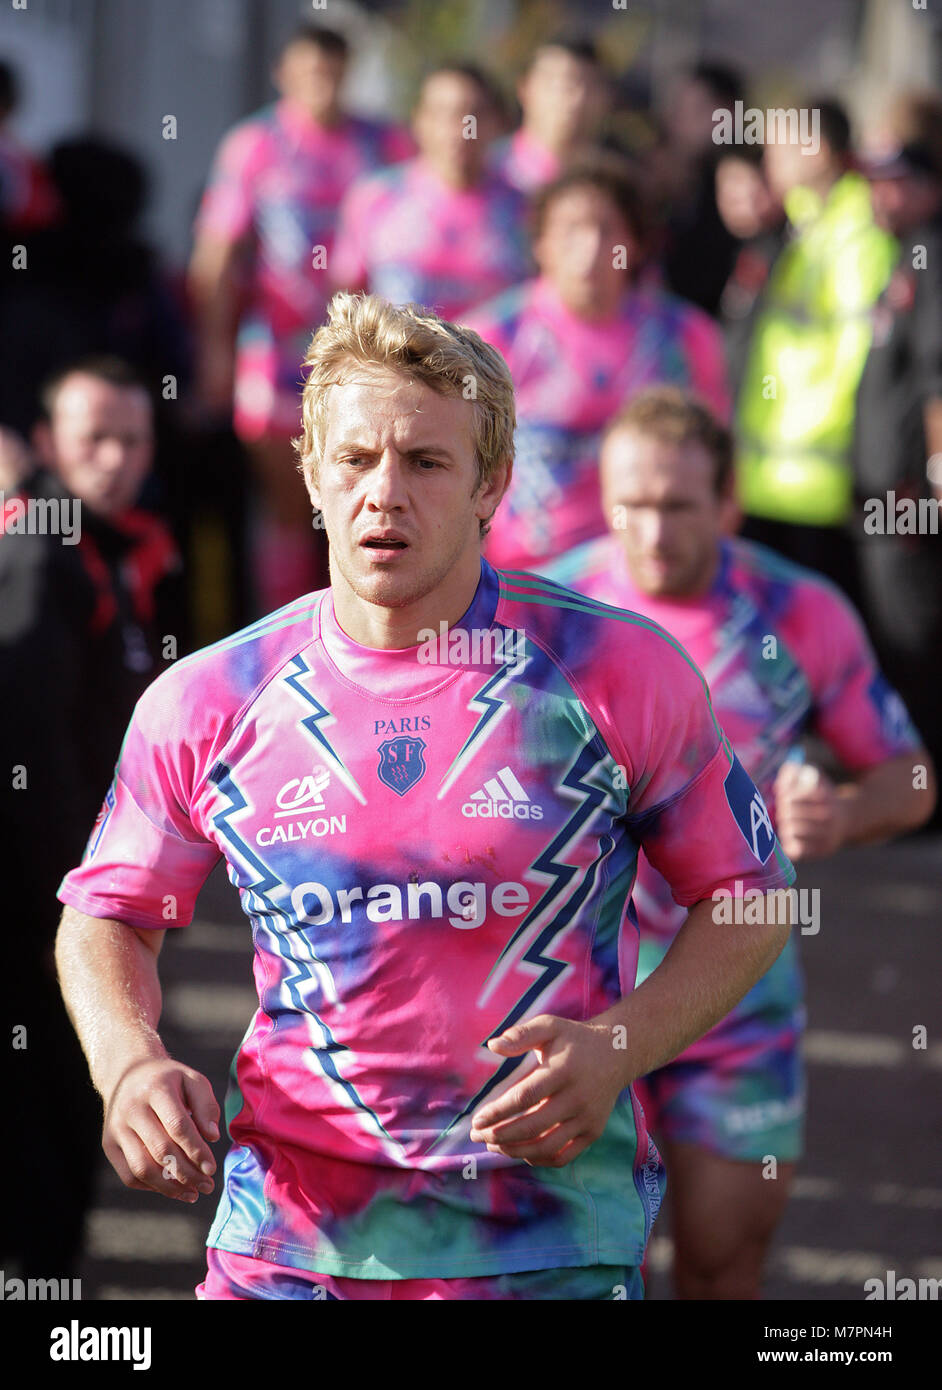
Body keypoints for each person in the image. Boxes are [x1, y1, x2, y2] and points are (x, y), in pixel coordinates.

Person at [56, 293, 796, 1302]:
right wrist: (128, 1064)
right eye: (355, 460)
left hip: (544, 1239)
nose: (383, 494)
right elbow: (106, 911)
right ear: (311, 470)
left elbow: (753, 896)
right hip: (288, 1243)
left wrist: (620, 1044)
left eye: (427, 462)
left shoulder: (612, 669)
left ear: (492, 483)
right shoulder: (209, 697)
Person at [547, 386, 935, 1299]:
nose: (650, 531)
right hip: (583, 999)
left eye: (678, 506)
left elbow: (913, 780)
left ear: (727, 503)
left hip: (738, 1001)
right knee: (586, 1274)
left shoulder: (796, 612)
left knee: (722, 1267)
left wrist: (841, 813)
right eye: (630, 504)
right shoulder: (548, 610)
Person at [0, 357, 182, 1282]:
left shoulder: (100, 542)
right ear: (45, 447)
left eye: (131, 440)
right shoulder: (40, 552)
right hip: (42, 904)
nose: (113, 459)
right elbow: (25, 752)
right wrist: (57, 917)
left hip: (67, 889)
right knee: (48, 1121)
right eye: (91, 442)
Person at [188, 21, 413, 613]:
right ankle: (287, 628)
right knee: (294, 494)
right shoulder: (256, 144)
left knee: (365, 482)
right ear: (282, 74)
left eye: (335, 73)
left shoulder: (383, 144)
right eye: (310, 72)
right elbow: (215, 255)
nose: (323, 85)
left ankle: (359, 617)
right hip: (279, 345)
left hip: (368, 344)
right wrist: (214, 350)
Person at [465, 158, 729, 573]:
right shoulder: (489, 340)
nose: (590, 247)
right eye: (571, 230)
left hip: (650, 576)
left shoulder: (685, 337)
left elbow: (723, 470)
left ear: (637, 243)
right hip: (524, 579)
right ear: (540, 244)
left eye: (607, 230)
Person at [735, 99, 898, 600]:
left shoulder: (860, 234)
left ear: (819, 147)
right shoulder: (796, 228)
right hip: (769, 477)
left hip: (819, 485)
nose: (769, 158)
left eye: (781, 144)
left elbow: (858, 360)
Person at [854, 97, 942, 828]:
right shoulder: (906, 254)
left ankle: (926, 804)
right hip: (882, 493)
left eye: (894, 180)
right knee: (898, 647)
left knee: (917, 651)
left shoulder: (933, 254)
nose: (880, 195)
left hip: (912, 496)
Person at [330, 63, 530, 321]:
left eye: (472, 115)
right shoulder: (375, 198)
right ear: (419, 120)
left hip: (488, 360)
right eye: (443, 114)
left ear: (498, 122)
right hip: (396, 359)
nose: (458, 130)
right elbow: (345, 299)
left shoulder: (524, 209)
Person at [490, 35, 609, 193]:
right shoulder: (487, 170)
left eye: (588, 85)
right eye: (562, 84)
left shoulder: (615, 186)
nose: (576, 98)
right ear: (525, 89)